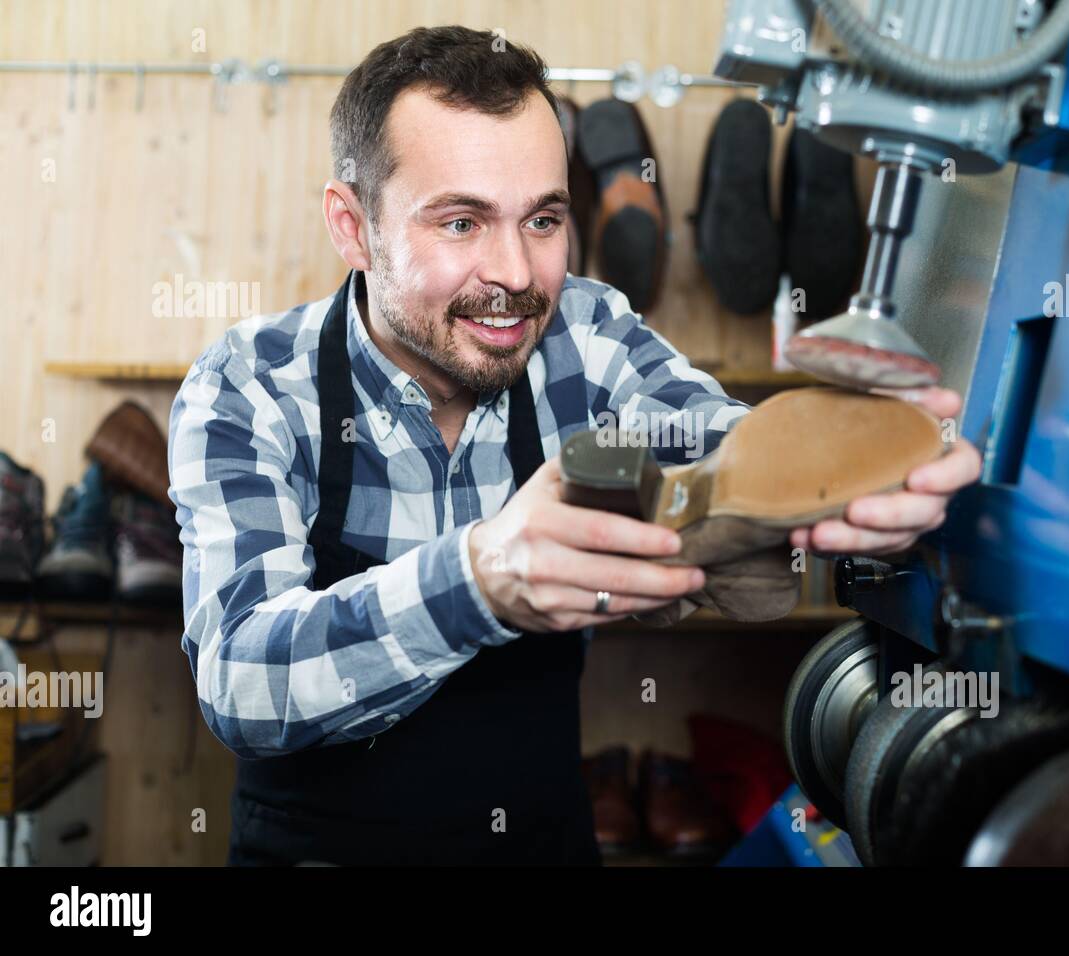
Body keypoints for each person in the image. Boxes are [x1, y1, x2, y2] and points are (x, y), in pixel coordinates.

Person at [167, 25, 981, 866]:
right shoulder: (253, 384)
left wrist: (865, 465)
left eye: (544, 219)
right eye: (461, 223)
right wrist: (479, 582)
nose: (516, 273)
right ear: (353, 226)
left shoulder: (585, 336)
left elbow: (725, 445)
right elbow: (242, 680)